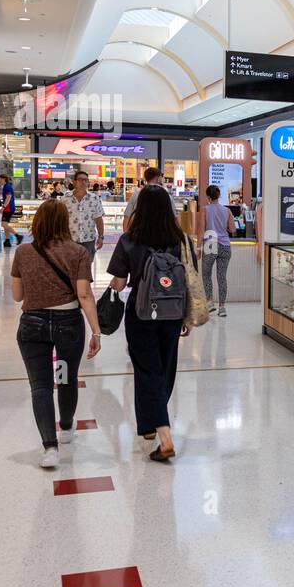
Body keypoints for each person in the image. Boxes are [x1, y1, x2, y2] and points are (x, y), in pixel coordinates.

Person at [10, 199, 101, 468]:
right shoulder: (77, 253)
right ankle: (67, 426)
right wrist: (96, 331)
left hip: (33, 325)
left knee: (40, 386)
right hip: (67, 324)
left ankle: (49, 448)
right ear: (65, 222)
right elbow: (84, 294)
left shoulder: (23, 252)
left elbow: (17, 296)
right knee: (66, 377)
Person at [107, 185, 190, 463]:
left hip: (141, 313)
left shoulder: (130, 239)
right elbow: (189, 278)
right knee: (165, 368)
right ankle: (149, 426)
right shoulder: (179, 240)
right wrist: (187, 313)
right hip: (173, 313)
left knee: (146, 370)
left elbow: (118, 283)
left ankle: (163, 432)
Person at [60, 170, 105, 273]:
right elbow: (60, 219)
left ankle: (84, 289)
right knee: (69, 269)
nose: (83, 182)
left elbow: (98, 219)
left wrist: (101, 236)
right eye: (80, 180)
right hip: (70, 240)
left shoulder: (94, 199)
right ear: (74, 182)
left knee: (85, 271)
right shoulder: (65, 199)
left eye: (86, 180)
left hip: (88, 240)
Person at [201, 184, 235, 317]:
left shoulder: (204, 210)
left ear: (208, 197)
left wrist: (198, 248)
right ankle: (222, 308)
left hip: (210, 244)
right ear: (219, 196)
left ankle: (210, 302)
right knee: (222, 277)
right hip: (225, 245)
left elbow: (200, 231)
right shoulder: (227, 211)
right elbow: (232, 229)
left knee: (206, 274)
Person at [124, 166, 165, 230]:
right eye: (161, 176)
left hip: (138, 233)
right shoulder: (165, 195)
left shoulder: (136, 194)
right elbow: (173, 218)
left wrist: (126, 234)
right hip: (159, 233)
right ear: (158, 178)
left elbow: (127, 216)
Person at [0, 174, 20, 247]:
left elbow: (9, 197)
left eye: (0, 179)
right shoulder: (6, 186)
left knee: (3, 224)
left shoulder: (7, 186)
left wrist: (3, 207)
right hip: (8, 208)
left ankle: (18, 236)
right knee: (5, 224)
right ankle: (7, 241)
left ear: (4, 179)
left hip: (8, 208)